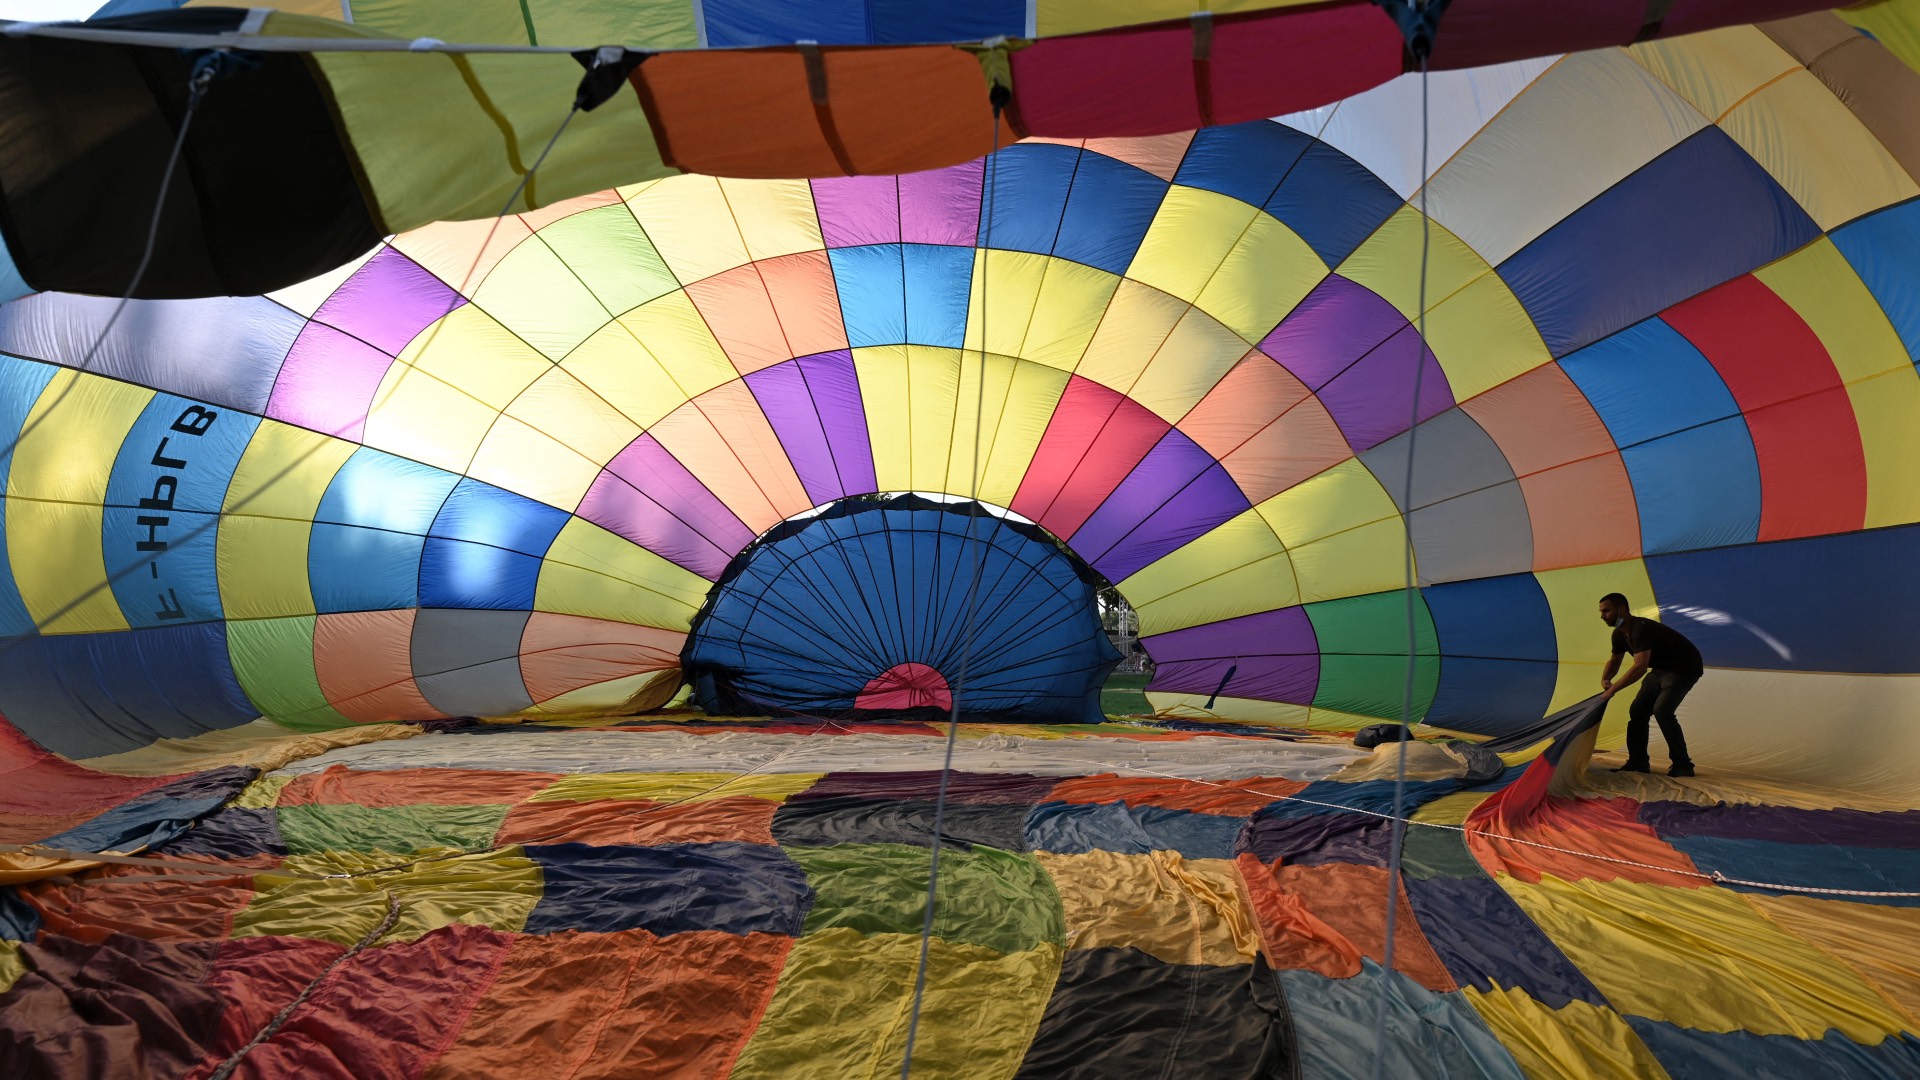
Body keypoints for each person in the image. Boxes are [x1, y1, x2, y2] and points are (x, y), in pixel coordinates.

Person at [1597, 592, 1701, 777]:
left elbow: (1639, 668)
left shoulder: (1640, 628)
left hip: (1684, 668)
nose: (1602, 616)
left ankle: (1683, 765)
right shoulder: (1619, 633)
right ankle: (1638, 762)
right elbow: (1615, 659)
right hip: (1661, 668)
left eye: (1606, 611)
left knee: (1662, 711)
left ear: (1621, 609)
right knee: (1637, 711)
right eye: (1601, 612)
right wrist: (1606, 678)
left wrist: (1613, 690)